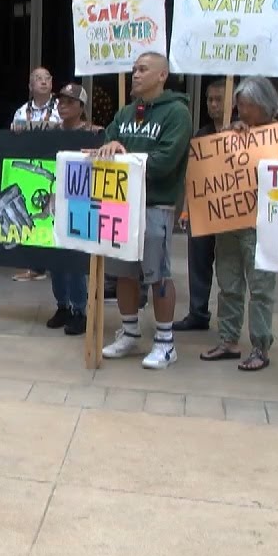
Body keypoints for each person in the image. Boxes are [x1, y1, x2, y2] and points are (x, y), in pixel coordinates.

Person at [98, 52, 192, 370]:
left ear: (162, 75)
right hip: (123, 204)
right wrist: (111, 146)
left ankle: (165, 342)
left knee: (158, 275)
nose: (135, 74)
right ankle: (130, 333)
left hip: (156, 205)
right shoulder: (126, 113)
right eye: (134, 69)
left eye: (143, 69)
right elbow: (108, 142)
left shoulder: (177, 113)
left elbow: (165, 162)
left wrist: (124, 154)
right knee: (124, 273)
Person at [199, 77, 278, 371]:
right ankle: (228, 339)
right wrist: (228, 139)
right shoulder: (234, 132)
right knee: (228, 283)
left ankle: (261, 346)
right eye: (239, 105)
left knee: (261, 288)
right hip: (229, 220)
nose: (242, 110)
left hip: (261, 225)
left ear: (263, 105)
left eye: (247, 105)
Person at [45, 83, 104, 335]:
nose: (63, 105)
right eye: (60, 101)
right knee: (56, 256)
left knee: (77, 258)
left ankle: (80, 308)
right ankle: (63, 305)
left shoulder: (95, 132)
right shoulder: (50, 131)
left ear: (81, 107)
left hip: (81, 199)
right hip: (56, 197)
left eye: (69, 102)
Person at [174, 79, 227, 331]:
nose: (213, 104)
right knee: (198, 262)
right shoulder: (201, 134)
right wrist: (185, 208)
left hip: (231, 211)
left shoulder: (242, 132)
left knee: (229, 268)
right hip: (202, 208)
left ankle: (229, 321)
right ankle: (198, 312)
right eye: (209, 99)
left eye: (219, 99)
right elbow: (191, 175)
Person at [11, 66, 59, 281]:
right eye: (38, 79)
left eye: (47, 78)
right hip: (32, 168)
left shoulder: (62, 108)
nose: (43, 82)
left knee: (55, 216)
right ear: (30, 86)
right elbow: (14, 137)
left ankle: (56, 262)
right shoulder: (22, 111)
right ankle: (34, 266)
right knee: (33, 214)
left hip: (55, 167)